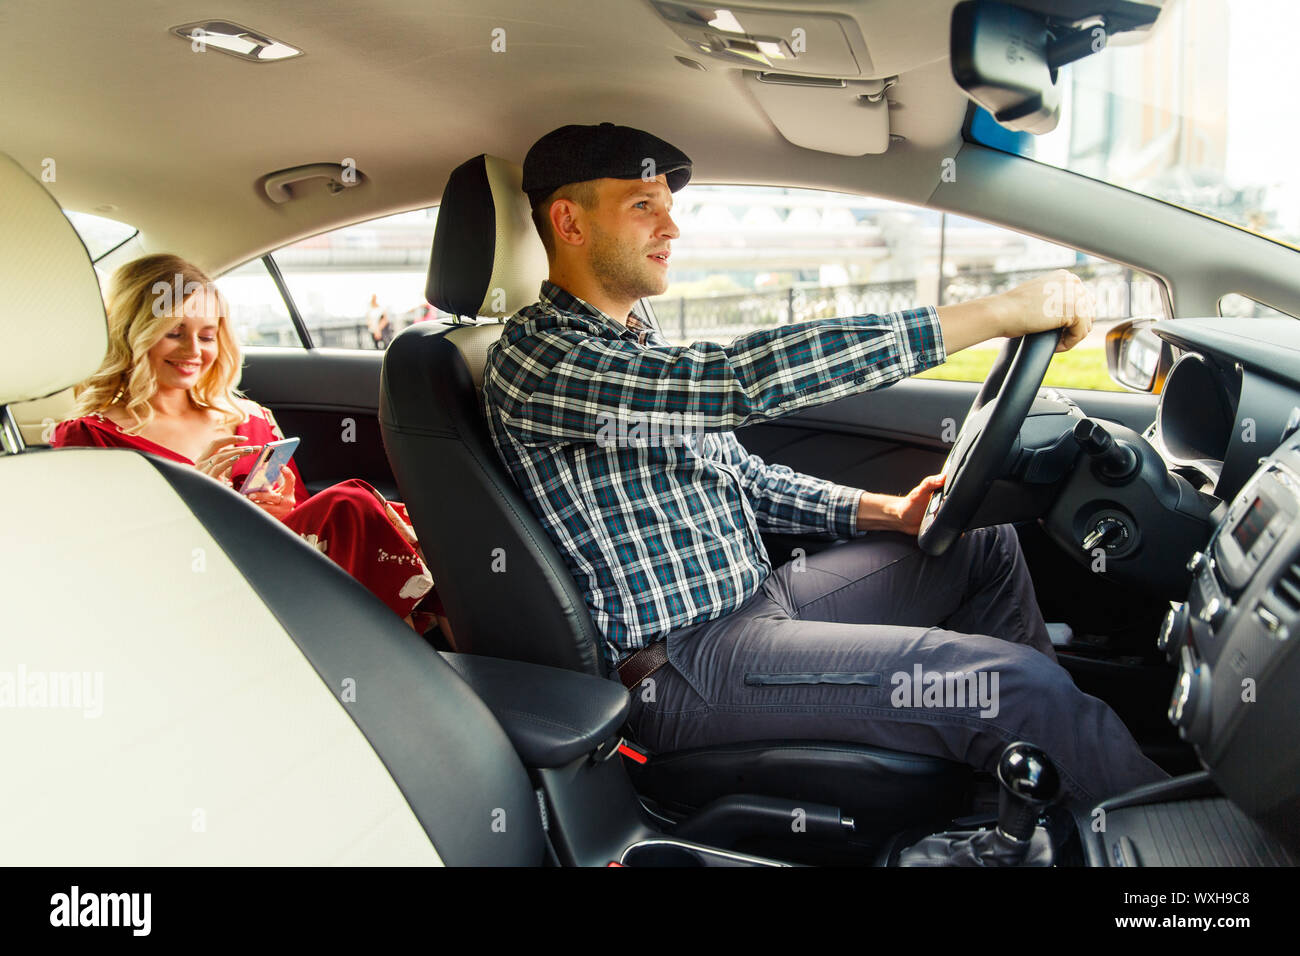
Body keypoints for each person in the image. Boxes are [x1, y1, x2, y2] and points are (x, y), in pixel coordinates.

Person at [481, 122, 1169, 809]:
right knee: (1007, 687)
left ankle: (1036, 785)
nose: (672, 228)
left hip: (761, 602)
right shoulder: (540, 359)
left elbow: (745, 479)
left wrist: (887, 511)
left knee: (981, 543)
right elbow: (740, 380)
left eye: (669, 206)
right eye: (643, 206)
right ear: (569, 221)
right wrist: (996, 313)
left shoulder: (634, 342)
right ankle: (1174, 855)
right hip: (683, 665)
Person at [53, 254, 450, 640]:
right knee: (350, 504)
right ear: (131, 332)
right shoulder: (89, 437)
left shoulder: (249, 417)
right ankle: (402, 650)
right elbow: (100, 558)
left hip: (278, 569)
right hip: (192, 588)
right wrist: (199, 504)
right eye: (174, 332)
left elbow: (296, 515)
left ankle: (451, 653)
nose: (194, 351)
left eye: (207, 336)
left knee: (427, 522)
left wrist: (277, 509)